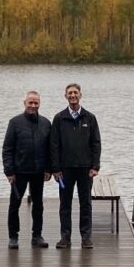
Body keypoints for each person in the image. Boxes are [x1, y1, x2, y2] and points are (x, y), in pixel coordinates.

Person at [48, 81, 100, 249]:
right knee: (65, 204)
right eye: (69, 93)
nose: (72, 95)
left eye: (75, 93)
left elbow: (96, 143)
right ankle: (65, 237)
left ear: (80, 95)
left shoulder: (89, 118)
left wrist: (95, 166)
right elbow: (54, 145)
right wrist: (55, 169)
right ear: (65, 96)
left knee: (86, 203)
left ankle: (86, 237)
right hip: (65, 170)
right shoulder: (59, 118)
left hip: (85, 170)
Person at [1, 90, 52, 249]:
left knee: (38, 205)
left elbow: (50, 149)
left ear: (39, 104)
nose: (33, 105)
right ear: (24, 103)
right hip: (19, 172)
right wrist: (9, 171)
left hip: (38, 172)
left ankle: (37, 236)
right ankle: (13, 236)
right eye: (30, 102)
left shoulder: (45, 123)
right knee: (14, 204)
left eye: (36, 103)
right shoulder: (15, 122)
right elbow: (7, 149)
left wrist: (49, 169)